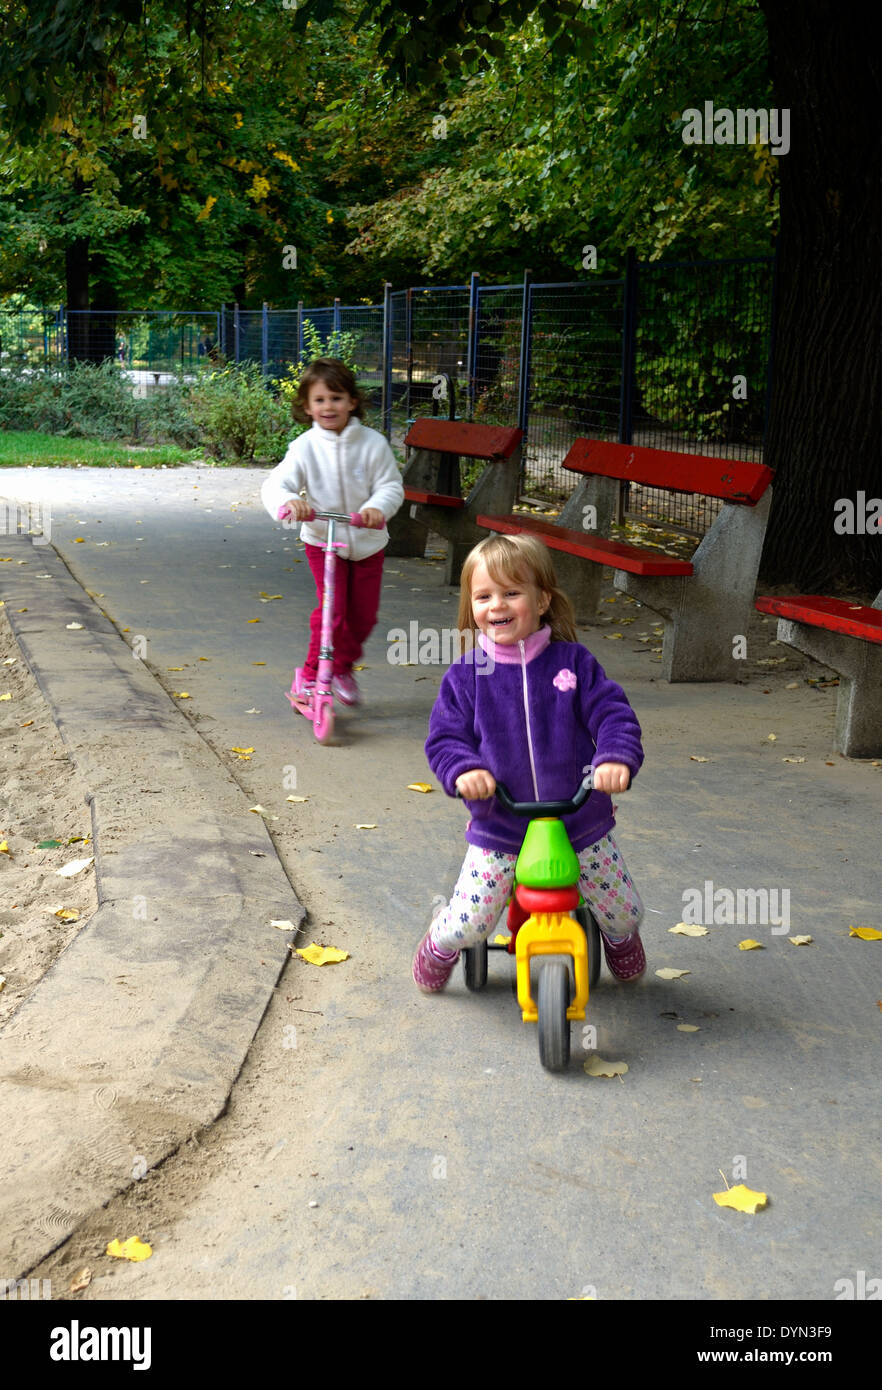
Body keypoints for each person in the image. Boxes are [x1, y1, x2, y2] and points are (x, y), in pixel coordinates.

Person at [414, 532, 646, 992]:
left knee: (623, 910)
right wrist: (465, 770)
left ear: (542, 601)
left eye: (511, 592)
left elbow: (613, 714)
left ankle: (618, 938)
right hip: (500, 824)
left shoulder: (573, 663)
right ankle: (439, 941)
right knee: (472, 920)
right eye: (484, 595)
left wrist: (614, 757)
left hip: (580, 820)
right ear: (472, 605)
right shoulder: (466, 676)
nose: (496, 604)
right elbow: (444, 738)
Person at [261, 357, 404, 706]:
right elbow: (276, 484)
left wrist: (376, 508)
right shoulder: (304, 448)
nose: (329, 406)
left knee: (364, 616)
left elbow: (391, 486)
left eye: (336, 398)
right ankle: (312, 674)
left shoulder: (373, 444)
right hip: (323, 542)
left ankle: (340, 666)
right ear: (307, 407)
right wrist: (291, 501)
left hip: (368, 542)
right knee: (332, 611)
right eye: (320, 400)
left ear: (352, 402)